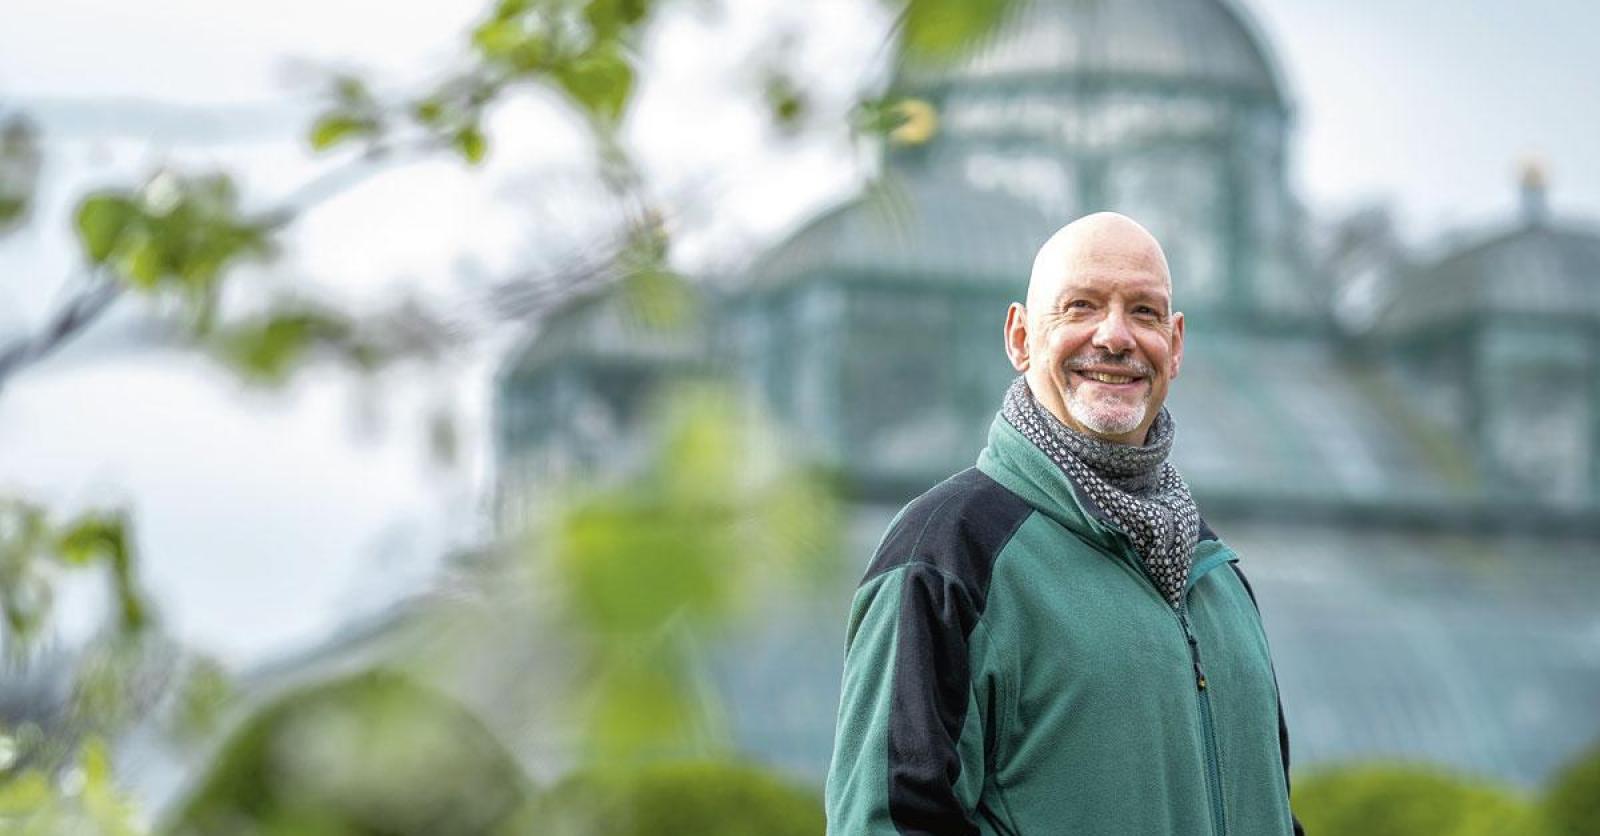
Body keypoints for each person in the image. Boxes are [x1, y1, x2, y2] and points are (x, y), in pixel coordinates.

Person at [824, 212, 1303, 835]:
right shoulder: (948, 555)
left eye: (1145, 312)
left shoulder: (1215, 575)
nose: (1114, 336)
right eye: (1080, 306)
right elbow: (886, 824)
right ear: (1020, 337)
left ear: (1176, 344)